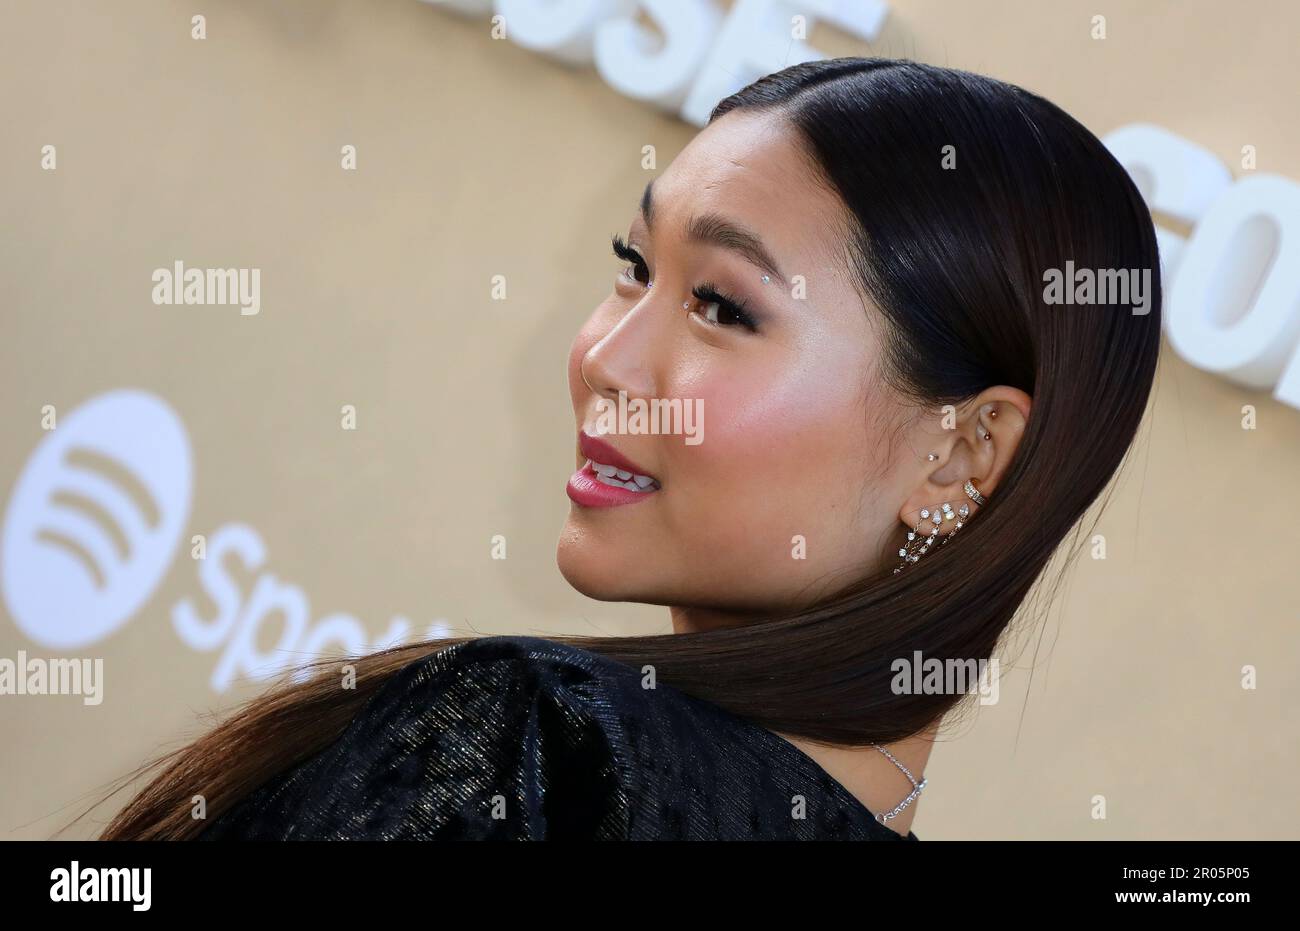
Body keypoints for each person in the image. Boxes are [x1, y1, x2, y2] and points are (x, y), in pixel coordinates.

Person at [100, 57, 1161, 841]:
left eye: (719, 305)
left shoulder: (542, 753)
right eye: (630, 264)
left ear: (961, 453)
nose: (607, 356)